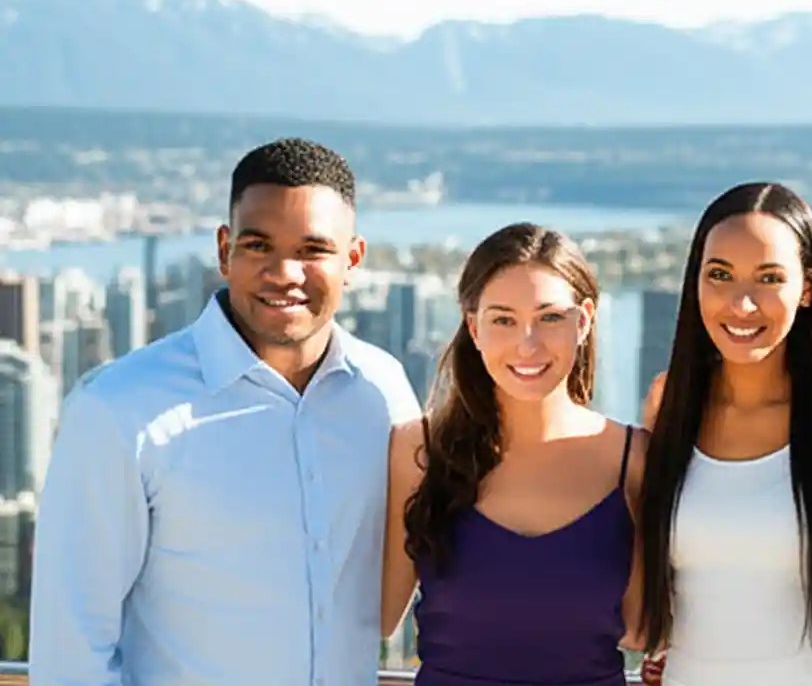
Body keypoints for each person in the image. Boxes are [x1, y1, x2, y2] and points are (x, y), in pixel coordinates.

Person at [28, 138, 422, 685]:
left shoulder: (384, 392)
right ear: (223, 250)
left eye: (312, 250)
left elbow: (385, 598)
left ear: (353, 259)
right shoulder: (119, 411)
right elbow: (71, 649)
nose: (284, 273)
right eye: (259, 245)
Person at [636, 182, 812, 686]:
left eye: (769, 278)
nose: (742, 303)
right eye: (720, 275)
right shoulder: (667, 406)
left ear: (806, 289)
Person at [381, 223, 646, 685]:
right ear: (473, 327)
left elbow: (645, 629)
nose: (528, 344)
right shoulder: (417, 451)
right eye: (503, 319)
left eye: (549, 318)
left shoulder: (635, 457)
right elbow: (377, 618)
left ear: (583, 321)